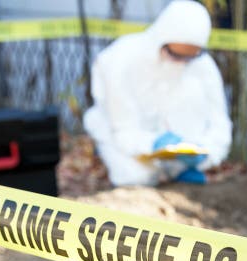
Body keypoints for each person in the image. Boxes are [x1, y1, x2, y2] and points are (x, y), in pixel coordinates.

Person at [83, 1, 232, 187]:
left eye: (190, 57)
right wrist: (154, 144)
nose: (182, 62)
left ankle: (178, 170)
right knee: (134, 177)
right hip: (127, 140)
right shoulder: (120, 60)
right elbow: (123, 129)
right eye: (175, 55)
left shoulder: (203, 65)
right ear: (162, 39)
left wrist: (205, 155)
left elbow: (220, 126)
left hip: (180, 150)